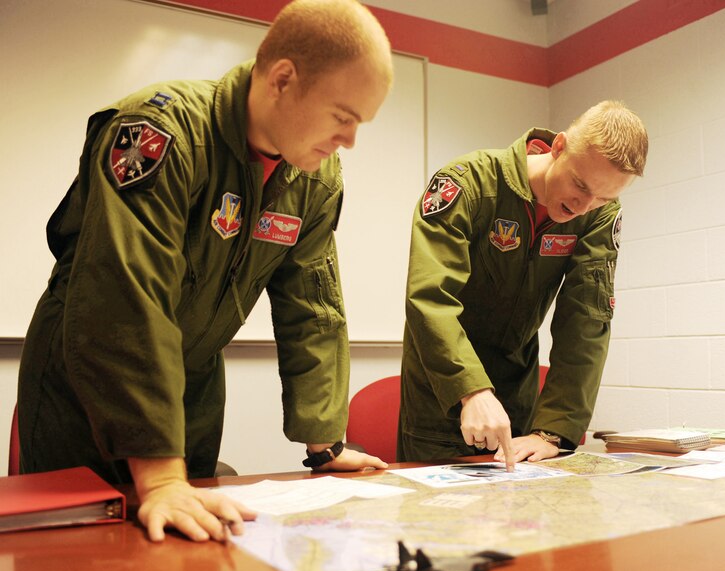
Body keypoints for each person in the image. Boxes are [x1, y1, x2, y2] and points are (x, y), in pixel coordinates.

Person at [17, 0, 394, 543]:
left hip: (191, 386)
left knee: (183, 554)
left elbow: (313, 306)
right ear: (283, 79)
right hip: (84, 380)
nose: (350, 141)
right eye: (343, 117)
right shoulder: (160, 132)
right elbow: (124, 295)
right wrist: (162, 474)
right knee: (72, 561)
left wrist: (324, 442)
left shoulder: (315, 177)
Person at [397, 100, 648, 471]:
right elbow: (431, 298)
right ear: (558, 147)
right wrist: (470, 389)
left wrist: (551, 431)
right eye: (580, 185)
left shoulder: (598, 215)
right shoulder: (468, 183)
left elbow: (586, 321)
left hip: (518, 401)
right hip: (439, 396)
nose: (584, 206)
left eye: (604, 197)